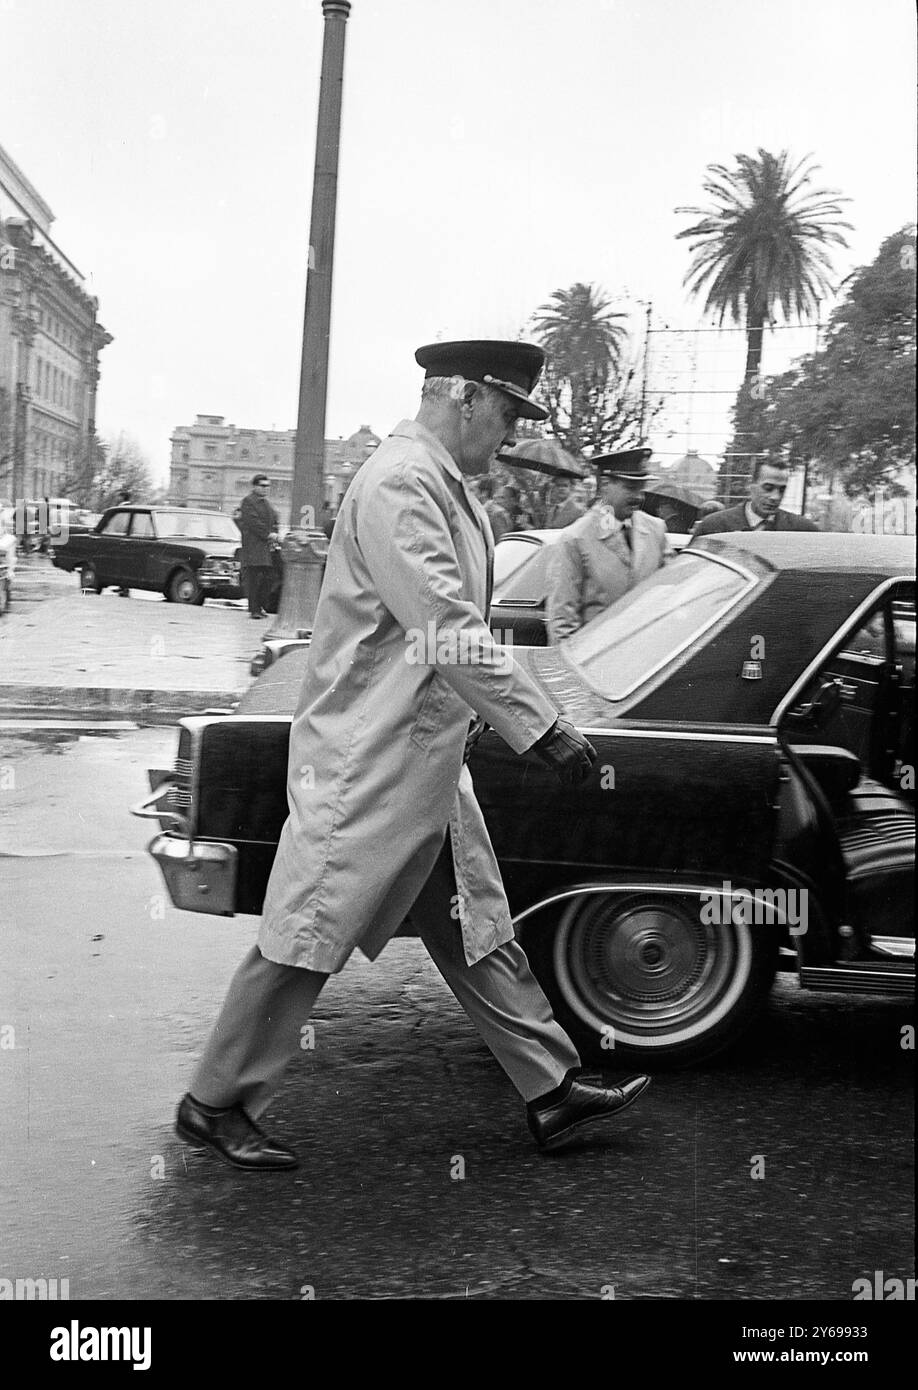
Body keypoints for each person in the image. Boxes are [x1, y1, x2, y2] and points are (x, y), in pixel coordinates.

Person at [175, 339, 651, 1170]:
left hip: (422, 752)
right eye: (506, 413)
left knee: (478, 922)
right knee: (307, 932)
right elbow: (443, 625)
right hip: (370, 758)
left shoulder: (442, 483)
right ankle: (214, 1102)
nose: (508, 433)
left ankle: (551, 1086)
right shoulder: (403, 482)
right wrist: (539, 725)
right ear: (462, 396)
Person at [546, 448, 671, 644]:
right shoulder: (575, 538)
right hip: (595, 662)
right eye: (630, 488)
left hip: (648, 660)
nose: (639, 497)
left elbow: (672, 592)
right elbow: (562, 619)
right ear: (605, 484)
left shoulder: (656, 529)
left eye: (641, 488)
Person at [692, 460, 819, 536]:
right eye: (768, 488)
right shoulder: (714, 526)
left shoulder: (801, 530)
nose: (775, 497)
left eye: (782, 490)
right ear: (750, 485)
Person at [236, 473, 280, 619]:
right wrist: (269, 534)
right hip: (253, 548)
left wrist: (274, 532)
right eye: (262, 486)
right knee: (254, 579)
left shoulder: (267, 504)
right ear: (254, 486)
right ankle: (254, 609)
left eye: (267, 486)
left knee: (268, 578)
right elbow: (253, 522)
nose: (265, 489)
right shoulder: (248, 502)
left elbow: (274, 520)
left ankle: (260, 606)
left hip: (265, 548)